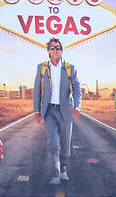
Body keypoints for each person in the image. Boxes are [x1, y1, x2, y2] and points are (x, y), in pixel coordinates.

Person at [32, 38, 81, 186]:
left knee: (65, 145)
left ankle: (63, 168)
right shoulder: (41, 68)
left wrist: (77, 106)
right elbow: (36, 91)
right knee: (53, 143)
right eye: (52, 48)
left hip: (65, 111)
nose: (55, 50)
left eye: (57, 48)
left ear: (61, 50)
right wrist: (36, 110)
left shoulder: (69, 68)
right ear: (48, 50)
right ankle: (55, 173)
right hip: (49, 112)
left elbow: (77, 89)